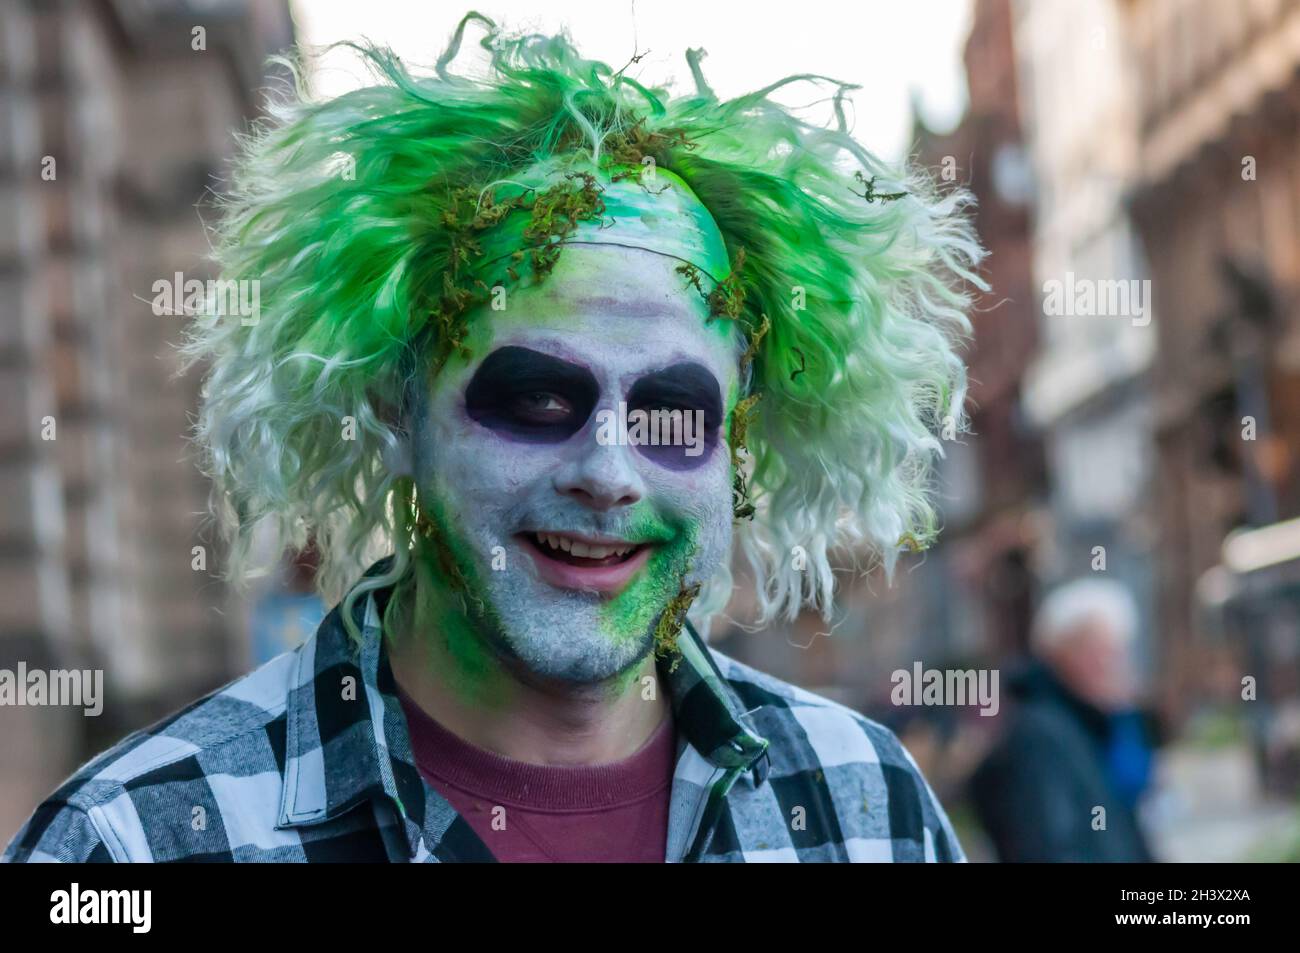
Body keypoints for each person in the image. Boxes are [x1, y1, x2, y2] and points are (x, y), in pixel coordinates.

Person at [4, 12, 984, 863]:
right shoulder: (139, 839)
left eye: (671, 414)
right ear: (396, 408)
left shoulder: (862, 806)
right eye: (536, 397)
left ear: (739, 442)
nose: (607, 472)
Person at [971, 578, 1156, 862]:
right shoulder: (1039, 735)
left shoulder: (1089, 725)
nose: (1111, 665)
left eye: (1116, 652)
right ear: (1059, 653)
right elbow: (1046, 846)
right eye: (1097, 652)